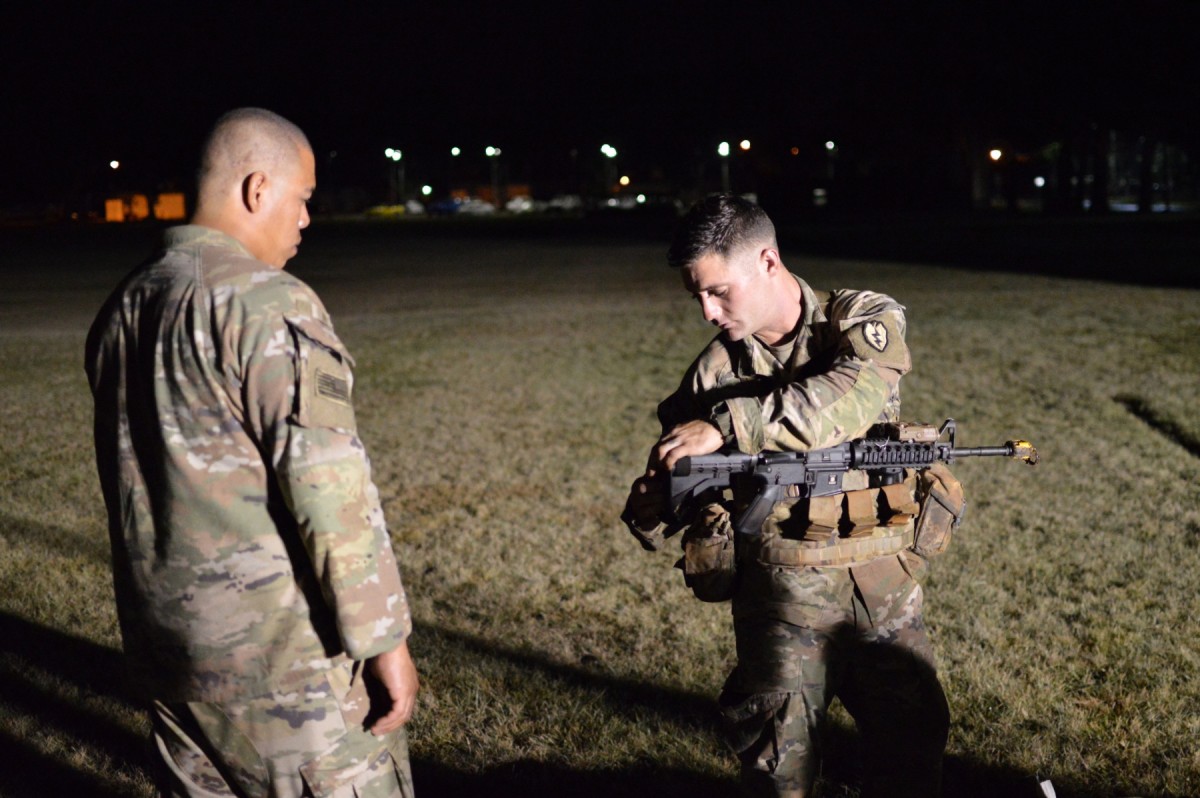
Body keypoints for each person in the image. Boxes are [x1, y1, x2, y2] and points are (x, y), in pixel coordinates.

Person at [85, 108, 419, 797]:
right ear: (257, 189)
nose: (306, 219)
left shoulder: (127, 304)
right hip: (280, 666)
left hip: (172, 659)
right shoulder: (266, 303)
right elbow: (329, 490)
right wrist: (385, 638)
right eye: (303, 198)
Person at [623, 194, 950, 797]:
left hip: (882, 584)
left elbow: (850, 398)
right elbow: (668, 478)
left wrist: (729, 425)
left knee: (913, 750)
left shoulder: (857, 319)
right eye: (697, 296)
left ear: (768, 261)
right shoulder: (712, 374)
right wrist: (654, 507)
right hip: (780, 597)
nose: (707, 312)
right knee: (781, 771)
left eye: (719, 291)